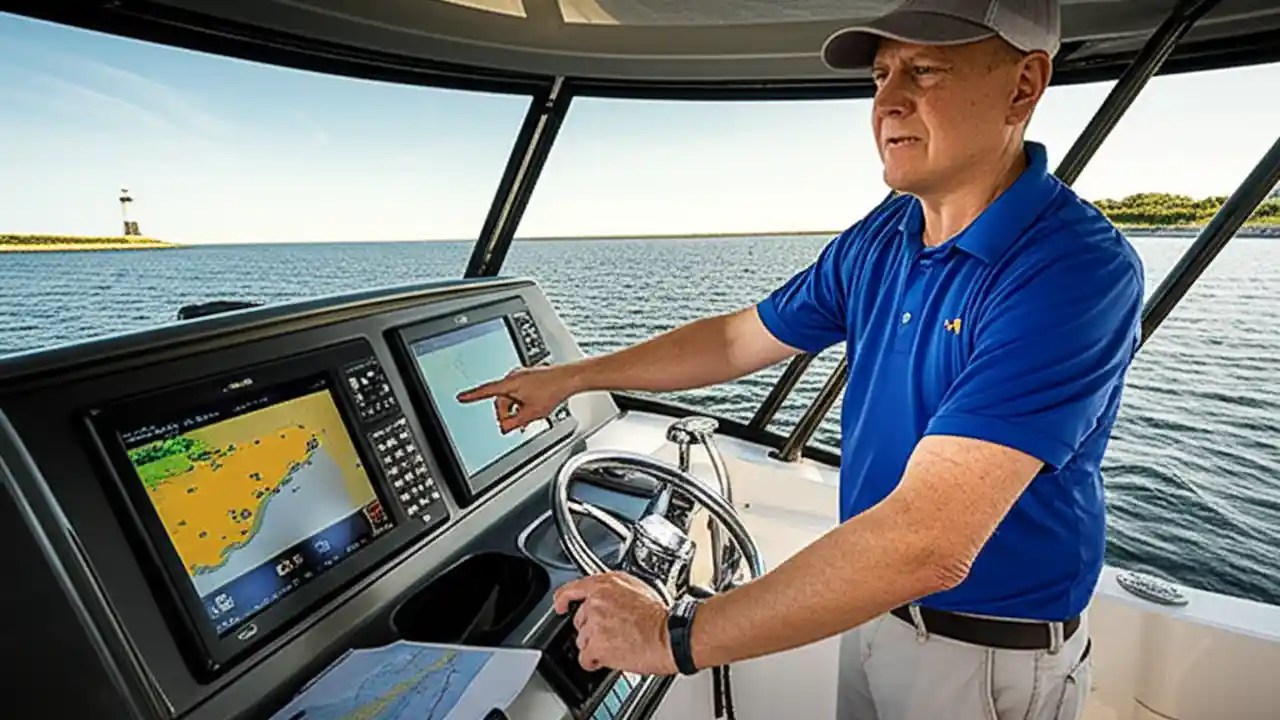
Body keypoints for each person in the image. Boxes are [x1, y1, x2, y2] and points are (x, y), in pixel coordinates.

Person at [458, 0, 1143, 718]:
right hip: (874, 612)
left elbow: (928, 542)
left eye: (925, 68)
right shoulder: (886, 235)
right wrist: (571, 377)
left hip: (984, 656)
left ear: (1025, 85)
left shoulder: (1070, 270)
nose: (888, 102)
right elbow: (734, 340)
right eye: (880, 75)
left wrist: (672, 635)